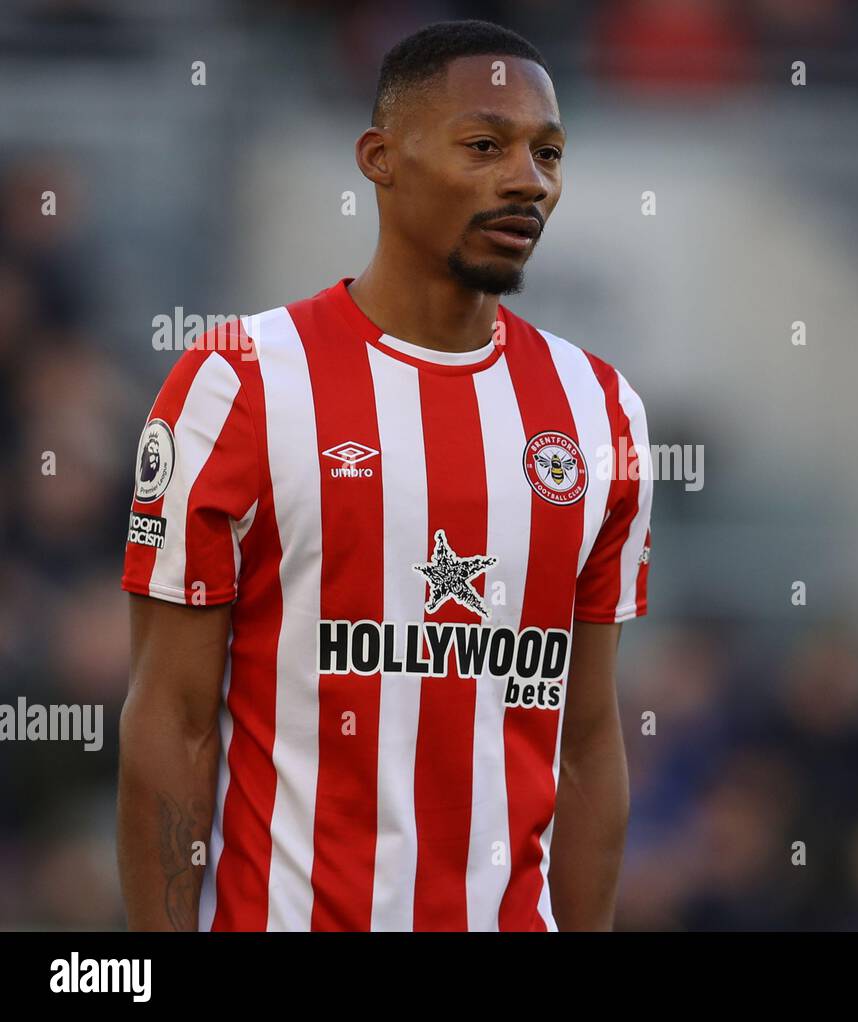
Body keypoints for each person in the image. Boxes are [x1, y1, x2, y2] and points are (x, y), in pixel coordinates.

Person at [117, 20, 653, 932]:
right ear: (380, 158)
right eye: (485, 145)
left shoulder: (601, 411)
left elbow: (590, 739)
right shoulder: (238, 383)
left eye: (548, 152)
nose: (528, 179)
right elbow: (171, 722)